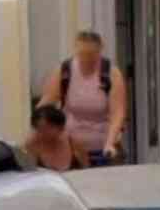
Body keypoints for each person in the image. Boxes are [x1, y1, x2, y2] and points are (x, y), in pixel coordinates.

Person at [36, 30, 128, 167]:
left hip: (101, 148)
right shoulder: (64, 71)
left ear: (99, 52)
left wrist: (110, 143)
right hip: (70, 148)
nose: (86, 60)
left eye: (91, 56)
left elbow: (118, 113)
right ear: (76, 51)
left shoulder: (111, 73)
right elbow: (46, 104)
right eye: (82, 55)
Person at [22, 103, 82, 172]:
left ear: (60, 127)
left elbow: (86, 172)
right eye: (38, 128)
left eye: (47, 128)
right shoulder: (31, 145)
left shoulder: (74, 141)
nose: (43, 133)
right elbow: (30, 174)